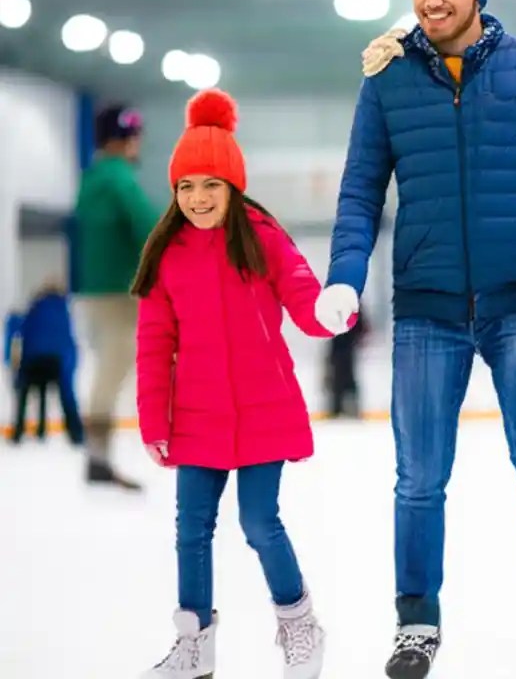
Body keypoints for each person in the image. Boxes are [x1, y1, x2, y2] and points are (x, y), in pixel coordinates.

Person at [326, 0, 516, 677]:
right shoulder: (388, 77)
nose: (430, 0)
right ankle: (416, 624)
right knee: (419, 478)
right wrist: (344, 274)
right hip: (427, 305)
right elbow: (361, 188)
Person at [134, 89, 336, 679]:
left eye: (210, 185)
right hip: (196, 417)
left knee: (258, 521)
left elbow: (305, 300)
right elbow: (153, 345)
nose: (197, 199)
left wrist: (335, 310)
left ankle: (299, 624)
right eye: (186, 187)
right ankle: (194, 642)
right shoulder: (166, 253)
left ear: (233, 186)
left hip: (263, 410)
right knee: (191, 529)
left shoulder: (261, 235)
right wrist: (154, 420)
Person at [73, 102, 158, 490]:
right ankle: (97, 459)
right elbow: (148, 224)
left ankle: (97, 458)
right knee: (114, 368)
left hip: (98, 290)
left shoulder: (91, 179)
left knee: (111, 368)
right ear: (123, 138)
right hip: (119, 293)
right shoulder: (118, 178)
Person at [9, 281, 84, 445]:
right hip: (56, 363)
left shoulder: (34, 307)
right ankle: (75, 434)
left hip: (33, 361)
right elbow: (68, 343)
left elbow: (19, 329)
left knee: (24, 392)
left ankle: (18, 431)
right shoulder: (63, 310)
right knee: (66, 396)